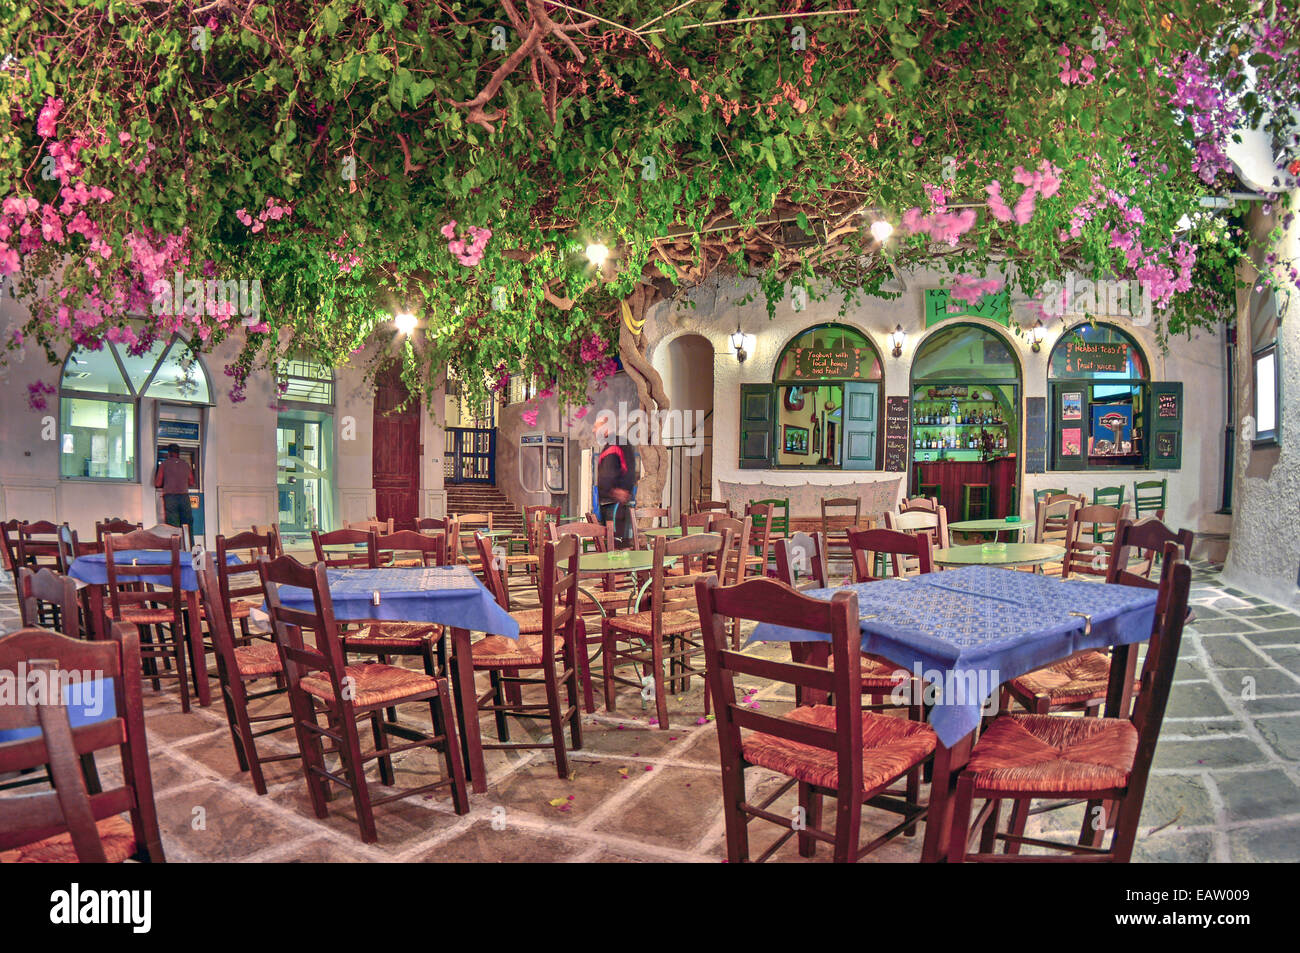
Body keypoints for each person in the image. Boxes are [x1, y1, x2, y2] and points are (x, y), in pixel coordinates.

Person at [593, 413, 639, 547]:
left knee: (617, 546)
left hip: (616, 506)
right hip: (606, 504)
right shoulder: (607, 447)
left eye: (597, 427)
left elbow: (629, 470)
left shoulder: (621, 444)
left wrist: (621, 491)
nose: (594, 430)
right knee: (609, 545)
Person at [154, 444, 196, 539]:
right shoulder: (185, 464)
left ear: (169, 453)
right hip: (184, 497)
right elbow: (192, 482)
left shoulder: (164, 464)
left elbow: (158, 483)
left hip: (170, 497)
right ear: (178, 453)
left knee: (173, 527)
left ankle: (176, 549)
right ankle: (189, 549)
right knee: (187, 525)